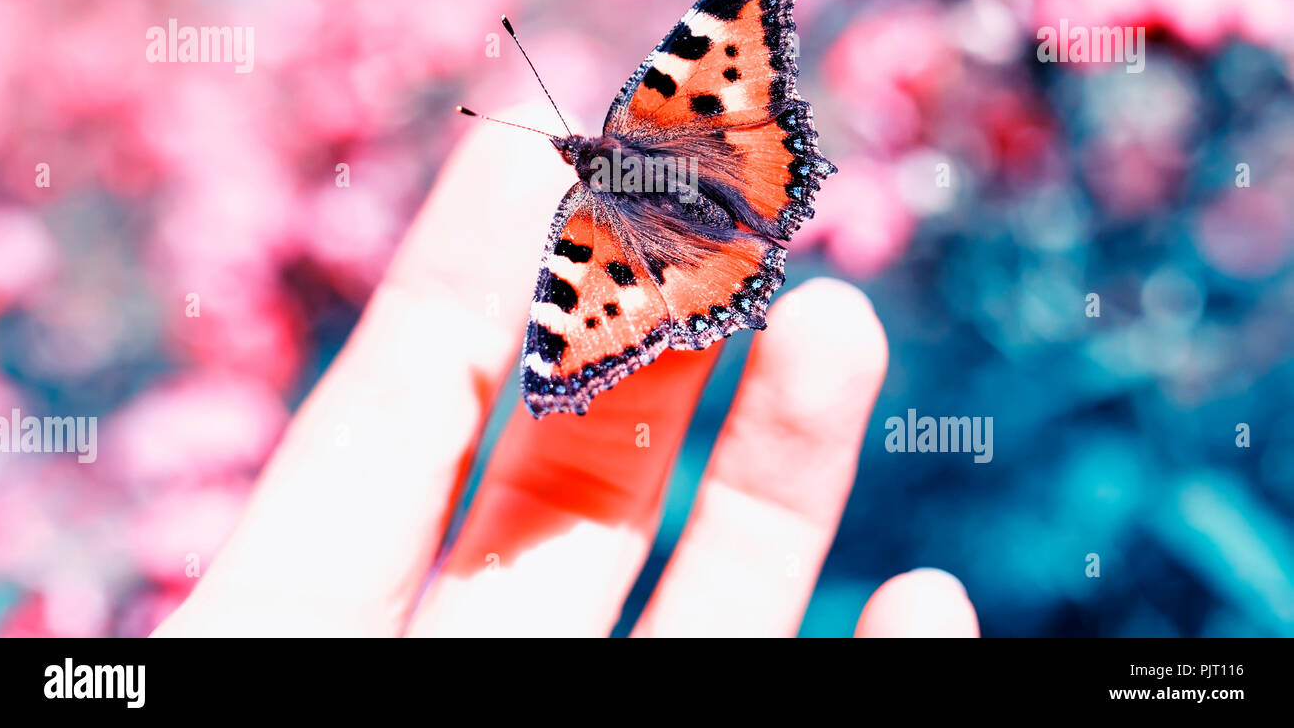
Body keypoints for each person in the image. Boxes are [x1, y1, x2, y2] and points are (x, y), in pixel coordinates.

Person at [155, 106, 979, 637]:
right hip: (716, 185)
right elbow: (569, 338)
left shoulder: (585, 231)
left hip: (701, 216)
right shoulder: (607, 191)